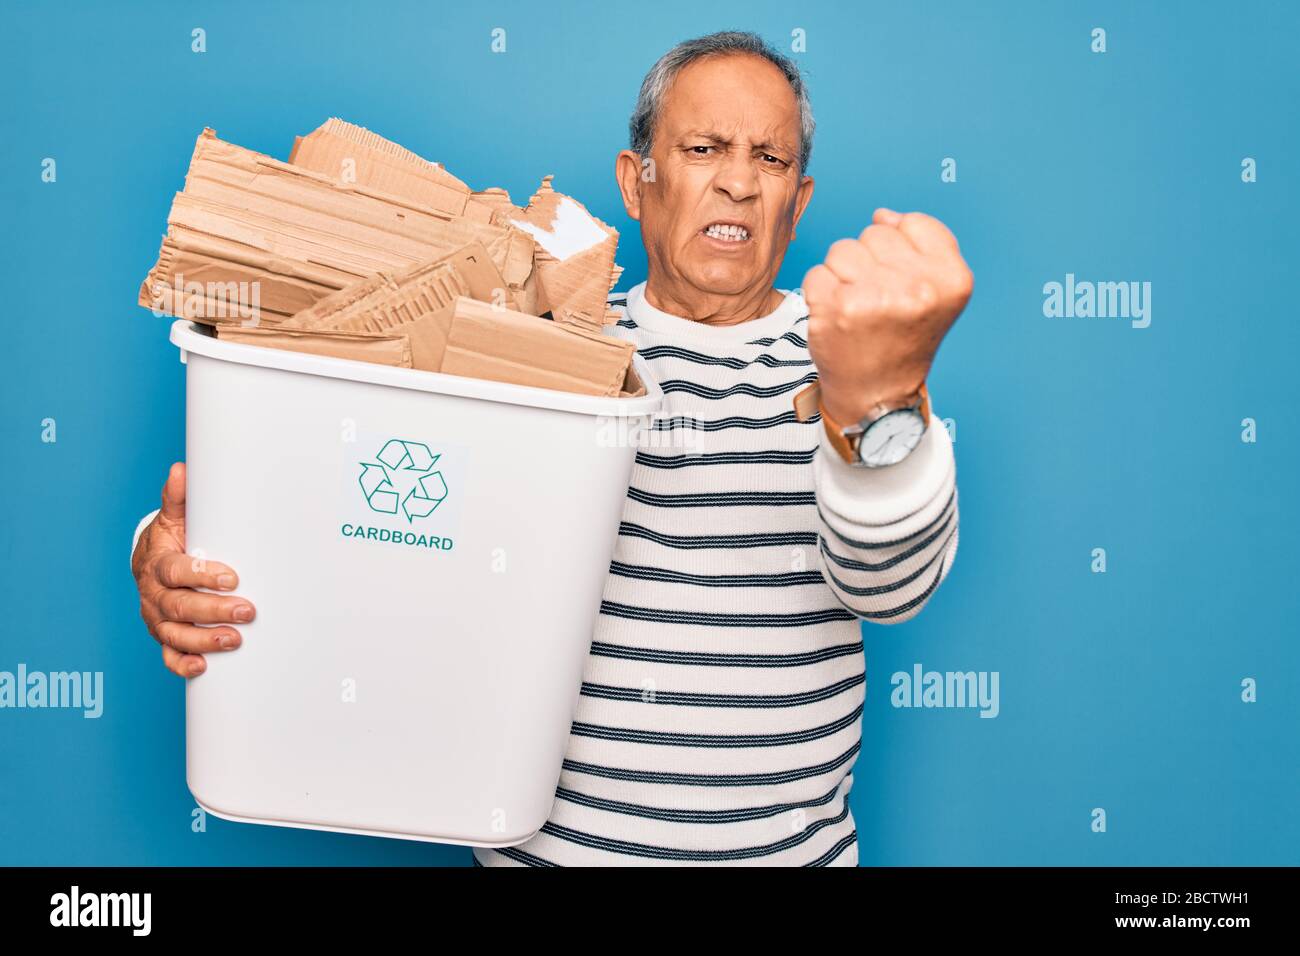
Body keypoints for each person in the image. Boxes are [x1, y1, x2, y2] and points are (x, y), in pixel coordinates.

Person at [131, 30, 972, 866]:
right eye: (703, 147)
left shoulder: (857, 359)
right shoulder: (533, 341)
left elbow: (890, 586)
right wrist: (169, 554)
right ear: (635, 183)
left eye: (772, 160)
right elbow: (362, 485)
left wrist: (876, 405)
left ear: (800, 198)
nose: (739, 182)